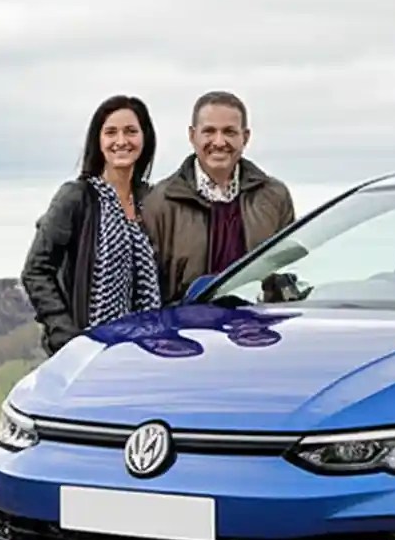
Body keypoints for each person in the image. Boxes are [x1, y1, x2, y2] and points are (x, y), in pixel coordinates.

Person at [21, 94, 163, 355]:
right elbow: (36, 271)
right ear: (98, 141)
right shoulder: (76, 198)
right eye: (111, 132)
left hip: (144, 352)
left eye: (131, 131)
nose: (121, 141)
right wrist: (66, 335)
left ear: (145, 138)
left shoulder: (154, 202)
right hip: (87, 353)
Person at [141, 90, 296, 303]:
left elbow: (289, 272)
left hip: (257, 330)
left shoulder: (274, 197)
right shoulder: (159, 203)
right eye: (209, 132)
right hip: (186, 331)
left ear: (246, 137)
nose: (219, 141)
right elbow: (146, 289)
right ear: (192, 136)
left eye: (230, 132)